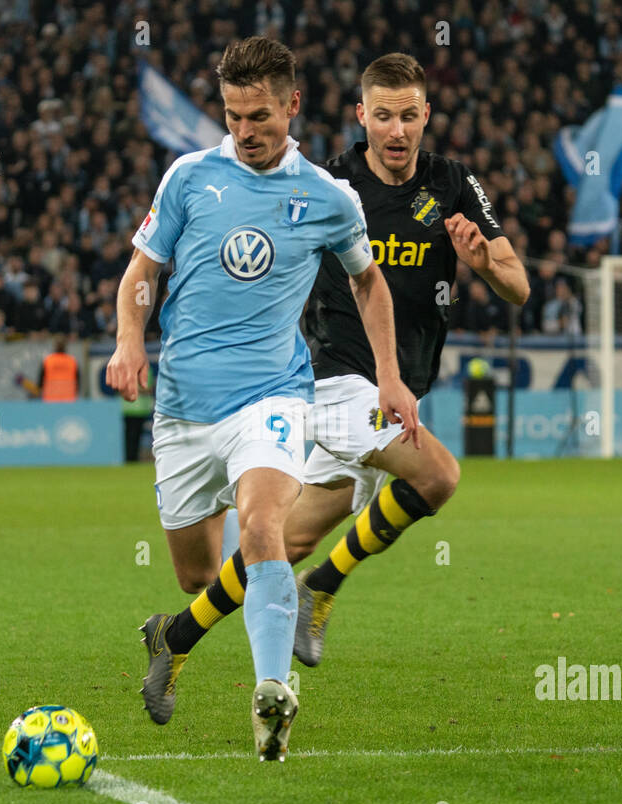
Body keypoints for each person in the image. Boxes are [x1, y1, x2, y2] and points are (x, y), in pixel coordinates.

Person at [142, 52, 528, 718]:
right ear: (363, 117)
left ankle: (175, 635)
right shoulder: (332, 185)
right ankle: (322, 586)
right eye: (384, 116)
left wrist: (484, 262)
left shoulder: (453, 185)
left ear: (426, 116)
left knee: (275, 542)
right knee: (438, 475)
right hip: (331, 382)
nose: (397, 130)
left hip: (393, 390)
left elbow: (518, 287)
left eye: (409, 116)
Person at [107, 37, 416, 761]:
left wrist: (390, 375)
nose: (246, 131)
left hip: (273, 396)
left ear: (292, 106)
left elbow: (368, 281)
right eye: (234, 115)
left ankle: (273, 694)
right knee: (196, 572)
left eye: (261, 117)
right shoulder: (188, 178)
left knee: (263, 526)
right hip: (185, 405)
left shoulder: (328, 198)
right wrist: (128, 339)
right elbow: (140, 275)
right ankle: (171, 631)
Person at [38, 336, 79, 401]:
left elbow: (40, 383)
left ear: (55, 346)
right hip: (69, 399)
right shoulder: (72, 361)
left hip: (50, 399)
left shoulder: (48, 360)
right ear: (65, 346)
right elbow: (78, 382)